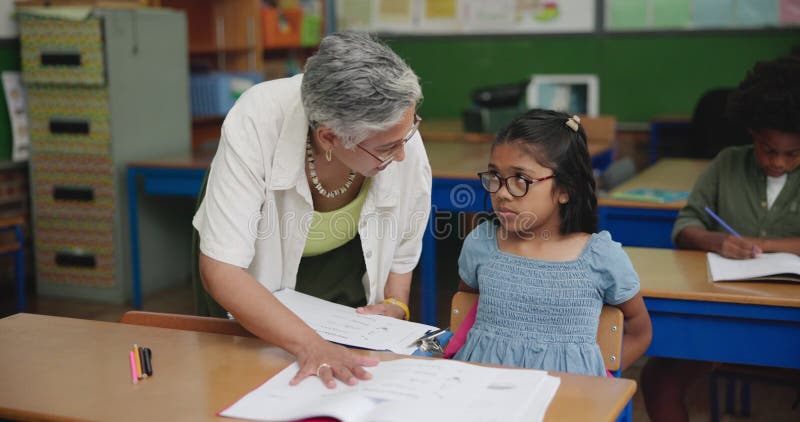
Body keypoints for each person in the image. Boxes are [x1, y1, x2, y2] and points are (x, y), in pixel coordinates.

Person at [191, 32, 431, 389]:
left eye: (408, 135)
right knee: (245, 379)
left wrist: (396, 304)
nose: (400, 155)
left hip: (341, 263)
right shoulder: (258, 119)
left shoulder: (395, 132)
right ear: (329, 138)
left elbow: (403, 246)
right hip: (249, 272)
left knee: (339, 387)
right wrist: (312, 346)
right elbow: (223, 270)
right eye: (386, 148)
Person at [642, 56, 800, 421]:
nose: (779, 162)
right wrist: (717, 242)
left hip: (789, 323)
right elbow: (686, 224)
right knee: (659, 379)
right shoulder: (727, 163)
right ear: (751, 133)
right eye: (767, 149)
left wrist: (765, 246)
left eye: (793, 154)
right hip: (725, 314)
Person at [450, 109, 652, 376]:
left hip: (565, 402)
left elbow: (640, 330)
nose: (500, 192)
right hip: (481, 393)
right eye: (494, 176)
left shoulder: (600, 257)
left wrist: (603, 381)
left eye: (521, 180)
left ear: (566, 190)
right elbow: (465, 305)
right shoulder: (482, 244)